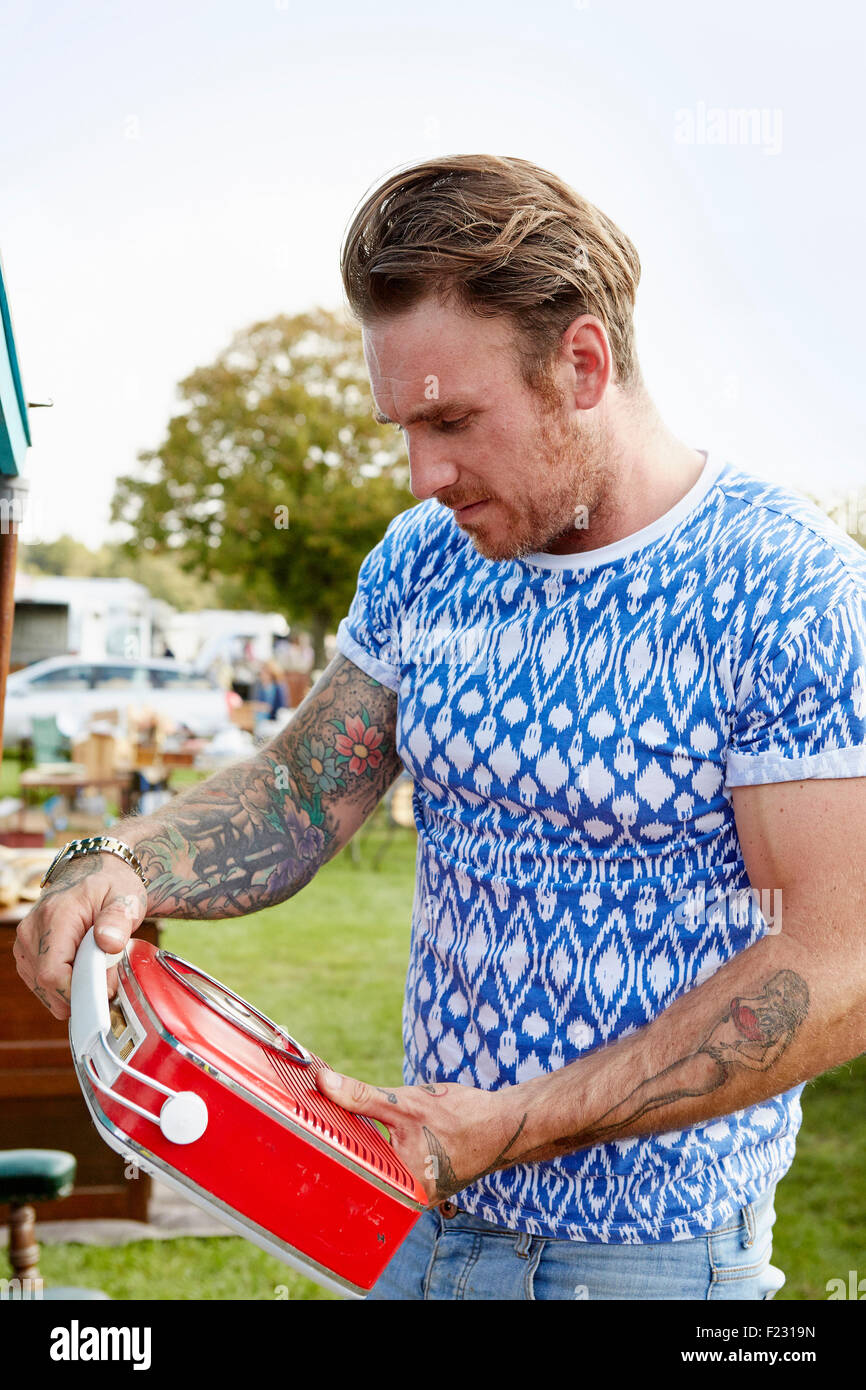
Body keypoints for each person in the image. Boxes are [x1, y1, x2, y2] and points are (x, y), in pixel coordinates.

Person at [15, 155, 866, 1301]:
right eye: (401, 428)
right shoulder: (426, 562)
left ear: (580, 364)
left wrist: (508, 1124)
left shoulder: (783, 587)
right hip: (414, 1219)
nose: (422, 475)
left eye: (452, 420)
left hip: (647, 1270)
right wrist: (124, 861)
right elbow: (299, 793)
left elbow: (832, 960)